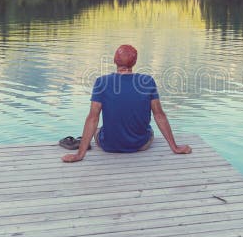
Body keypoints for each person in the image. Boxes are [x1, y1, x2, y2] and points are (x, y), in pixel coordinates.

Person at [62, 44, 191, 162]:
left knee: (97, 129)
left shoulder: (101, 82)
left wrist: (79, 155)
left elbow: (93, 118)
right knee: (149, 130)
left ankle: (82, 143)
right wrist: (175, 147)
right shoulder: (147, 81)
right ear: (134, 62)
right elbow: (159, 115)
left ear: (114, 60)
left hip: (109, 145)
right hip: (141, 144)